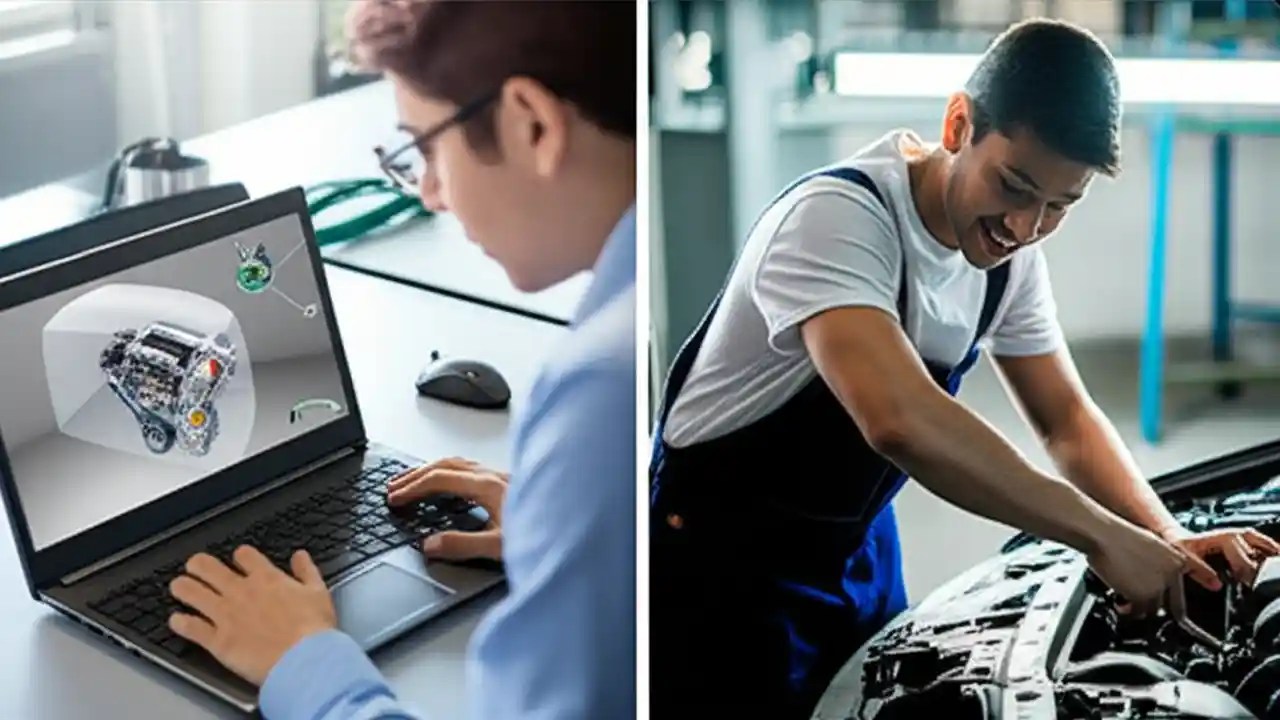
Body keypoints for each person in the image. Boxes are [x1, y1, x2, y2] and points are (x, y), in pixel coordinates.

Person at [649, 17, 1280, 719]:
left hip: (854, 561)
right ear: (958, 124)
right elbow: (901, 420)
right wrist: (1103, 537)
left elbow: (1067, 421)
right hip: (719, 576)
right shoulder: (839, 219)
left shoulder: (1009, 266)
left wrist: (1167, 538)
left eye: (1059, 206)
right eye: (1014, 186)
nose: (1025, 227)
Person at [162, 2, 637, 719]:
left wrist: (306, 664)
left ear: (532, 124)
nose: (428, 191)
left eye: (427, 146)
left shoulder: (601, 395)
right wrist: (576, 539)